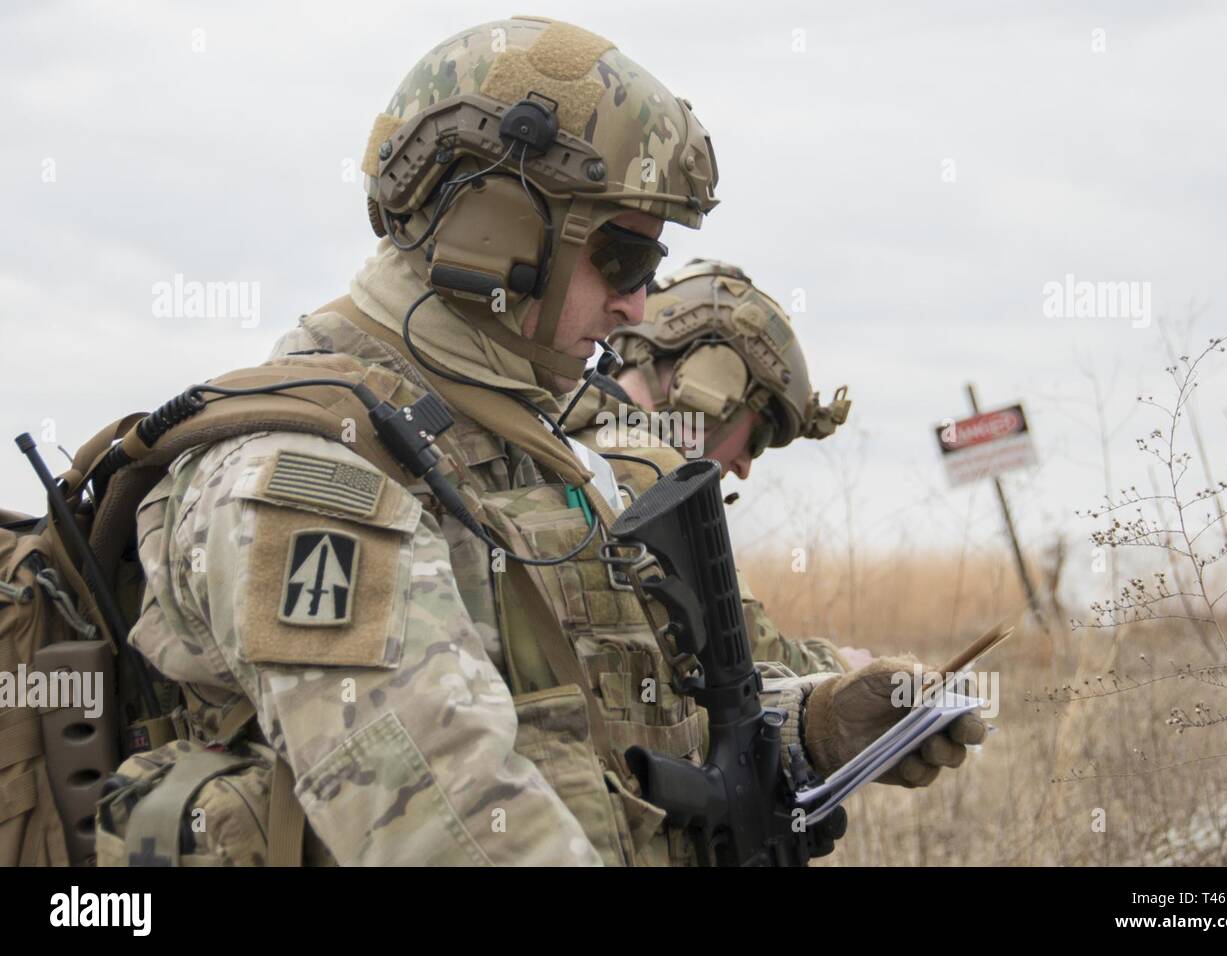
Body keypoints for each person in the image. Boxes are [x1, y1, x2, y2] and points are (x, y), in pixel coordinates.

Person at [105, 17, 986, 867]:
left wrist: (813, 727)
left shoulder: (533, 447)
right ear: (496, 228)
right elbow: (449, 815)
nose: (640, 306)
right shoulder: (304, 479)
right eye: (624, 259)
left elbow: (627, 729)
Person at [562, 258, 862, 674]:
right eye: (755, 438)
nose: (743, 467)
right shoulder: (650, 471)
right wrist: (843, 668)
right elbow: (748, 658)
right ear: (712, 385)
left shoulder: (556, 428)